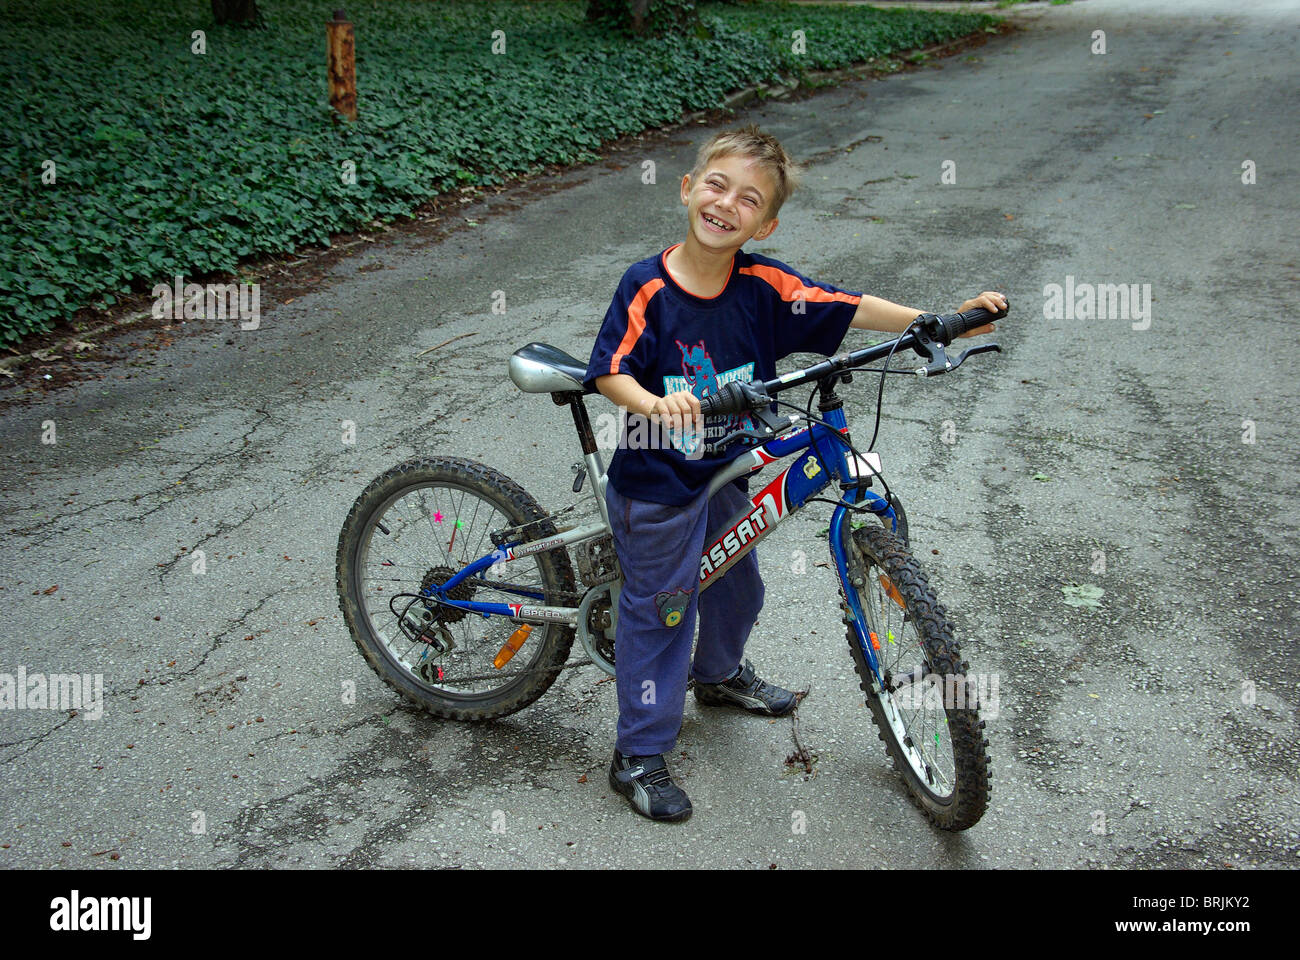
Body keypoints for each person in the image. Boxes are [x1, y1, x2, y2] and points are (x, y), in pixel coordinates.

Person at [583, 125, 1005, 822]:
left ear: (765, 221)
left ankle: (715, 675)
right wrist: (656, 403)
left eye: (748, 199)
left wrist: (934, 323)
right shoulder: (648, 286)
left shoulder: (762, 285)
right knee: (662, 607)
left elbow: (844, 304)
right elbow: (610, 370)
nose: (727, 204)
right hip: (659, 480)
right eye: (716, 185)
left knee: (737, 582)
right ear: (688, 190)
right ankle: (637, 752)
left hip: (727, 465)